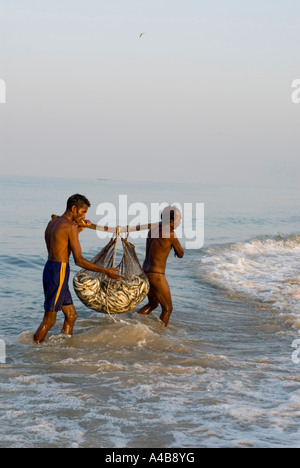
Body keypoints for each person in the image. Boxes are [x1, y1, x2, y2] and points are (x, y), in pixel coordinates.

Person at [34, 194, 122, 343]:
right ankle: (33, 352)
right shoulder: (69, 227)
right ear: (74, 209)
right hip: (59, 271)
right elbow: (79, 260)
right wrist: (106, 271)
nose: (84, 215)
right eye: (83, 212)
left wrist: (79, 228)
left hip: (50, 269)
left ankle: (65, 348)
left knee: (71, 315)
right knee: (49, 320)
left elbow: (60, 241)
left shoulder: (53, 222)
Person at [139, 206, 184, 326]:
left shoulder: (152, 230)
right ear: (170, 221)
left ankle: (134, 322)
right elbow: (180, 254)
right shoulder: (170, 234)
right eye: (178, 220)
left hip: (145, 272)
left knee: (152, 304)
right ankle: (161, 336)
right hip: (157, 275)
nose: (179, 223)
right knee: (168, 308)